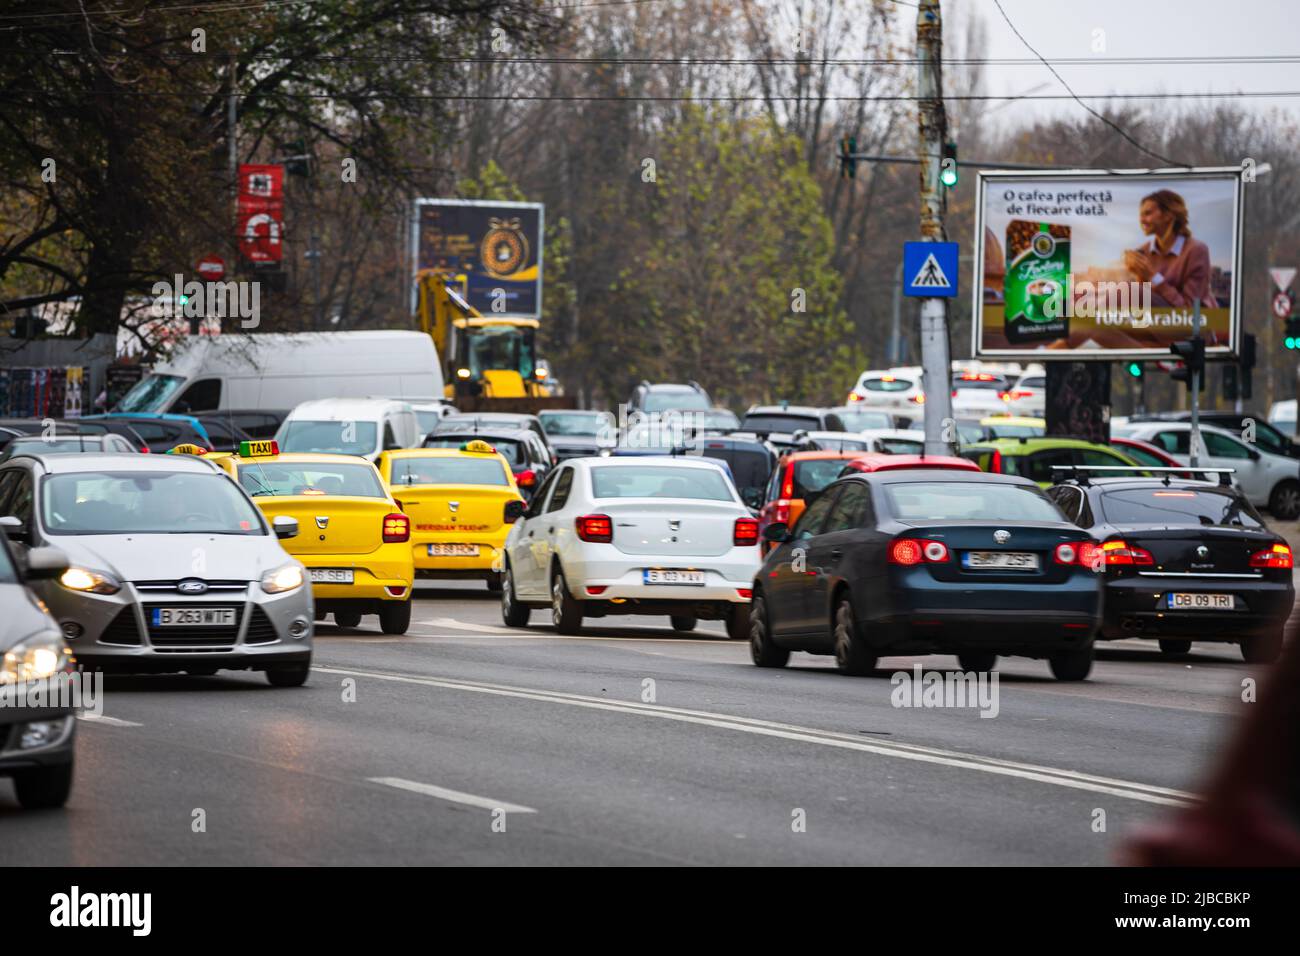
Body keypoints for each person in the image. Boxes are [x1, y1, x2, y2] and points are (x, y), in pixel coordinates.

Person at [1123, 189, 1218, 310]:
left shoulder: (1196, 250)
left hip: (1192, 323)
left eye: (1147, 213)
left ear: (1168, 215)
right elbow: (1142, 298)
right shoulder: (1143, 251)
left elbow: (1190, 309)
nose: (1141, 220)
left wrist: (1152, 276)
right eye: (1140, 215)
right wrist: (1136, 274)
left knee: (1127, 290)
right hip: (1156, 320)